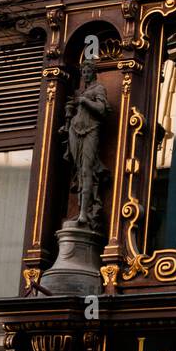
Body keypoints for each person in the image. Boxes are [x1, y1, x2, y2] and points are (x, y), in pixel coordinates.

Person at [63, 61, 111, 231]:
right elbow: (72, 108)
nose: (85, 74)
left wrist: (84, 101)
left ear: (94, 72)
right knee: (78, 172)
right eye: (83, 71)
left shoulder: (98, 89)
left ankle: (85, 213)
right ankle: (81, 210)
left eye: (88, 71)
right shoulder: (80, 91)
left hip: (91, 130)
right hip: (75, 130)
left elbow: (103, 109)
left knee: (87, 170)